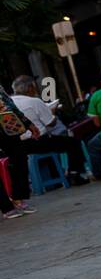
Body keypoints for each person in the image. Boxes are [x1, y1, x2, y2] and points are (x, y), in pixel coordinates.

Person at [8, 76, 90, 185]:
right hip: (38, 142)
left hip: (18, 146)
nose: (36, 90)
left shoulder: (8, 102)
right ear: (29, 88)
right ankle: (74, 174)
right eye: (34, 87)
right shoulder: (34, 101)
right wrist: (52, 112)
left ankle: (55, 177)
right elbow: (51, 123)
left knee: (53, 142)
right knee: (73, 143)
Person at [0, 87, 41, 218]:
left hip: (7, 125)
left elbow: (10, 104)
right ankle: (5, 207)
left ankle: (19, 198)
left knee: (20, 159)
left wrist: (28, 124)